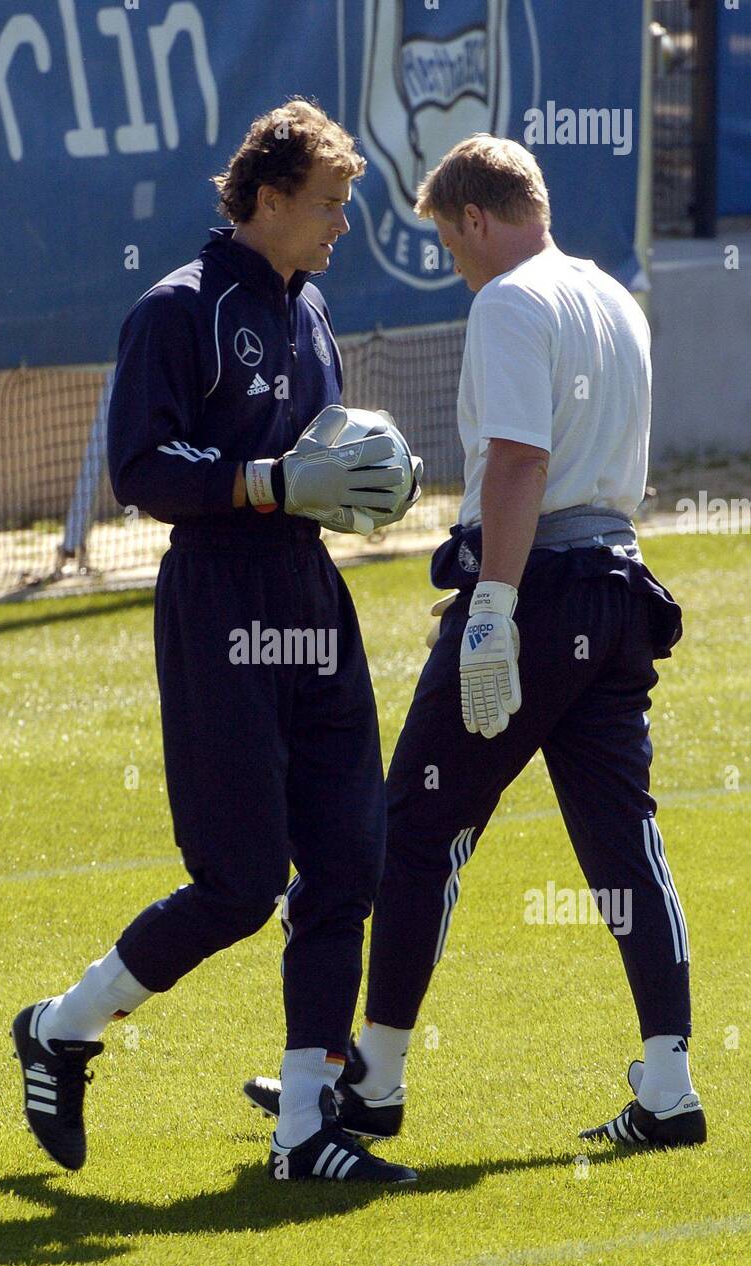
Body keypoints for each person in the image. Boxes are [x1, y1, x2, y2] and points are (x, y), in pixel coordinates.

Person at [246, 134, 705, 1151]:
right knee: (625, 841)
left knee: (416, 825)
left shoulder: (509, 299)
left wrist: (491, 604)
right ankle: (669, 1081)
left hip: (536, 588)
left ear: (475, 220)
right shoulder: (611, 295)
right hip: (620, 587)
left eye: (452, 245)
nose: (456, 266)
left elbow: (520, 462)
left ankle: (377, 1074)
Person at [11, 99, 420, 1185]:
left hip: (311, 596)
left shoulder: (313, 310)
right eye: (331, 205)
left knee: (347, 861)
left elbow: (323, 454)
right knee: (241, 880)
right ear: (270, 199)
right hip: (220, 606)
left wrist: (368, 483)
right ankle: (63, 1025)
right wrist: (267, 481)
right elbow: (139, 469)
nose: (342, 226)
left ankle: (303, 1132)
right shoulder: (174, 310)